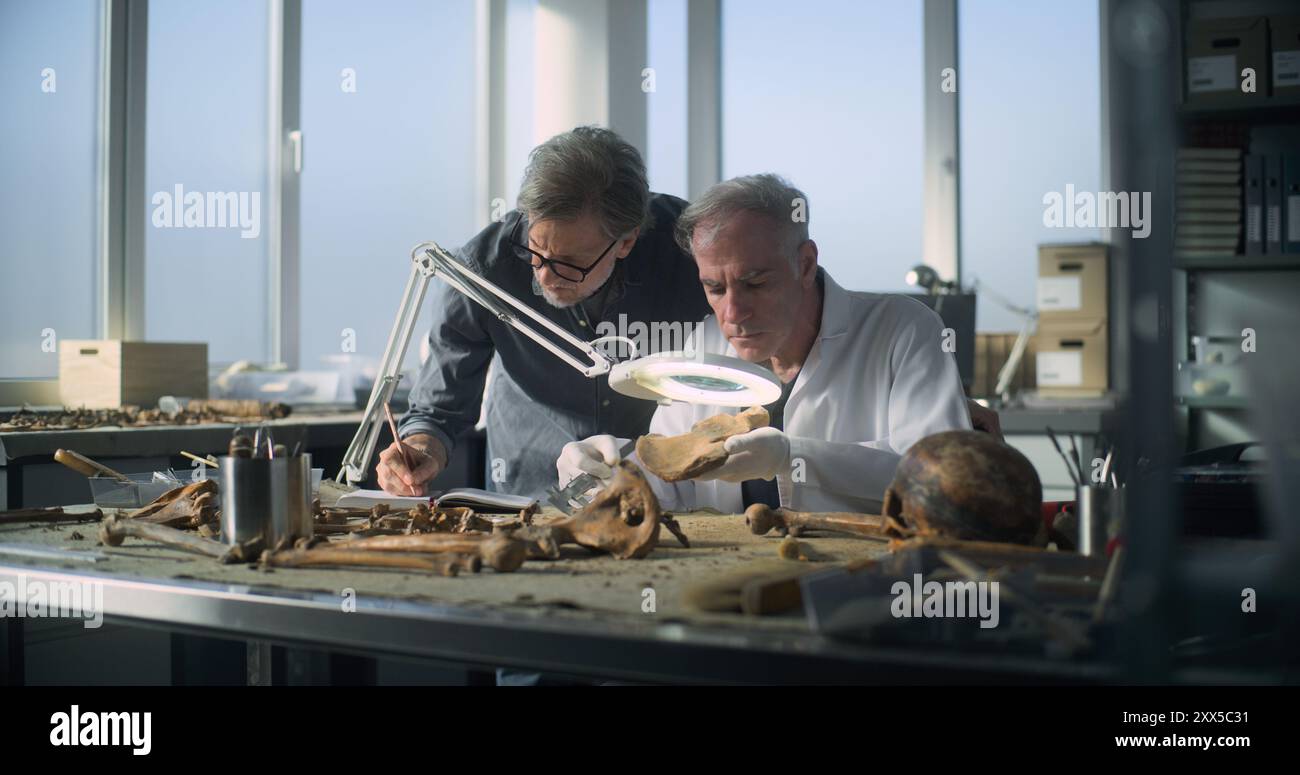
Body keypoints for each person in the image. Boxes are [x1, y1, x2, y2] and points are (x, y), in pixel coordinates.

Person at [557, 174, 975, 514]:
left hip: (870, 585)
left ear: (805, 264)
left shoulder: (902, 330)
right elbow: (675, 488)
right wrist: (610, 474)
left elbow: (940, 480)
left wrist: (793, 457)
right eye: (714, 288)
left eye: (754, 283)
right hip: (736, 587)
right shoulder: (704, 342)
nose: (733, 313)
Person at [378, 126, 711, 497]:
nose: (546, 277)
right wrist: (421, 450)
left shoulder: (692, 253)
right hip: (530, 497)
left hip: (659, 493)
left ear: (626, 242)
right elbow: (439, 409)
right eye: (536, 250)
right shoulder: (485, 268)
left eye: (571, 263)